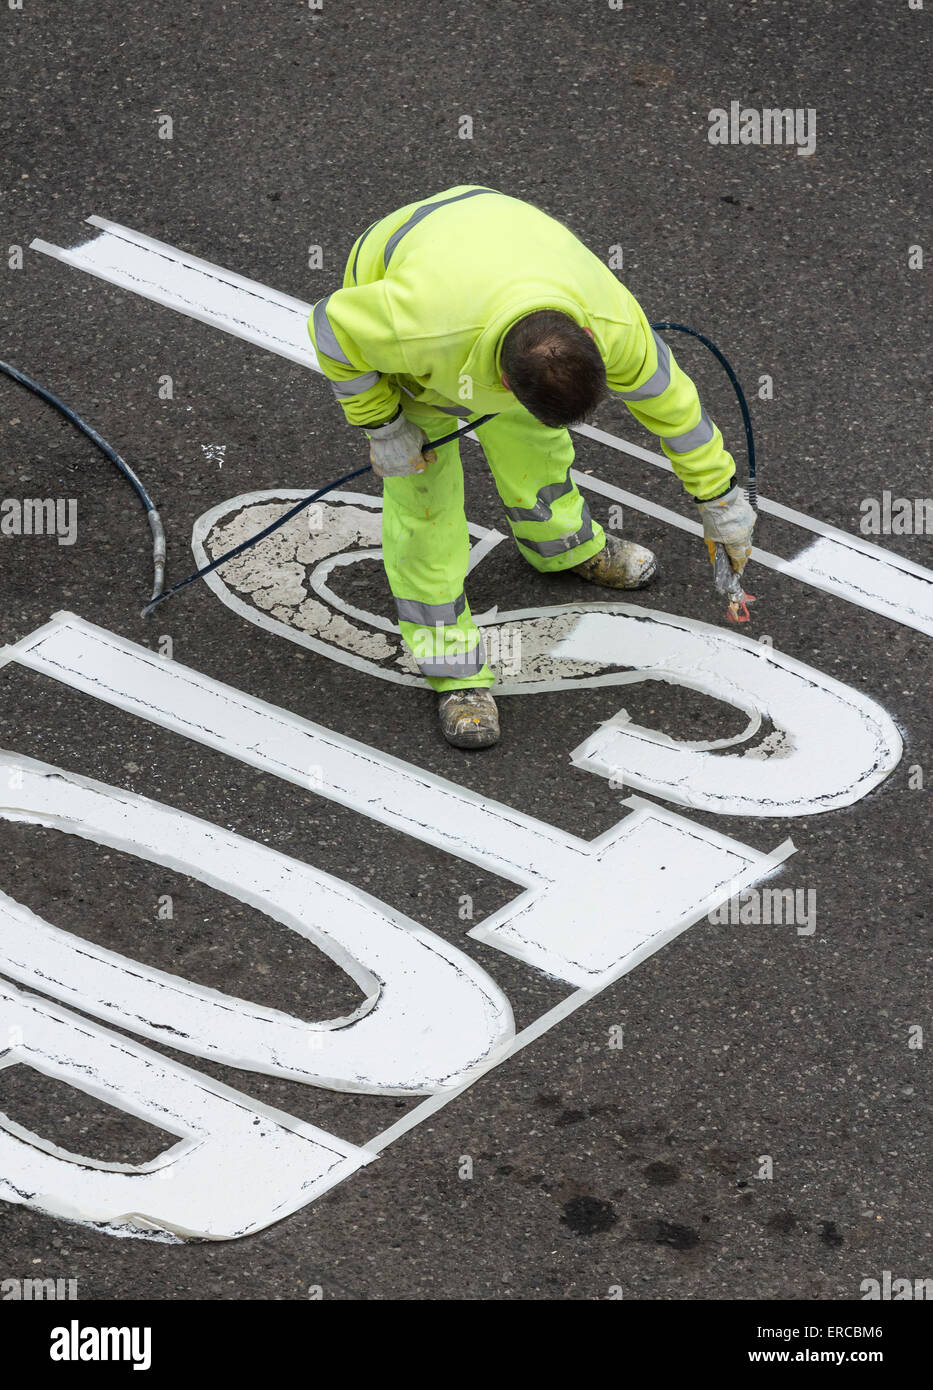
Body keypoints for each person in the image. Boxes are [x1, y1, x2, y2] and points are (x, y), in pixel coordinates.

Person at [308, 186, 756, 748]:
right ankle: (454, 672)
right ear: (499, 384)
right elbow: (332, 327)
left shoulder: (613, 324)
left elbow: (677, 411)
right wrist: (385, 426)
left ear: (592, 342)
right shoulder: (413, 325)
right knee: (425, 502)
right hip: (410, 280)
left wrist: (720, 498)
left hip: (495, 264)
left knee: (536, 441)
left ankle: (563, 545)